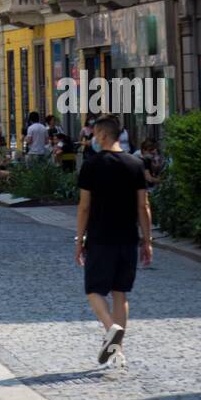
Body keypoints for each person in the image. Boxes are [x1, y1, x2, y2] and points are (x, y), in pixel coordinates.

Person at [75, 115, 152, 370]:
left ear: (103, 135)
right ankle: (118, 351)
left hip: (99, 238)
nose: (94, 138)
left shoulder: (92, 165)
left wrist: (79, 240)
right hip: (127, 238)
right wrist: (147, 241)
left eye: (96, 134)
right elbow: (143, 205)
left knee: (93, 290)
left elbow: (84, 207)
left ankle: (111, 329)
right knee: (121, 293)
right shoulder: (136, 164)